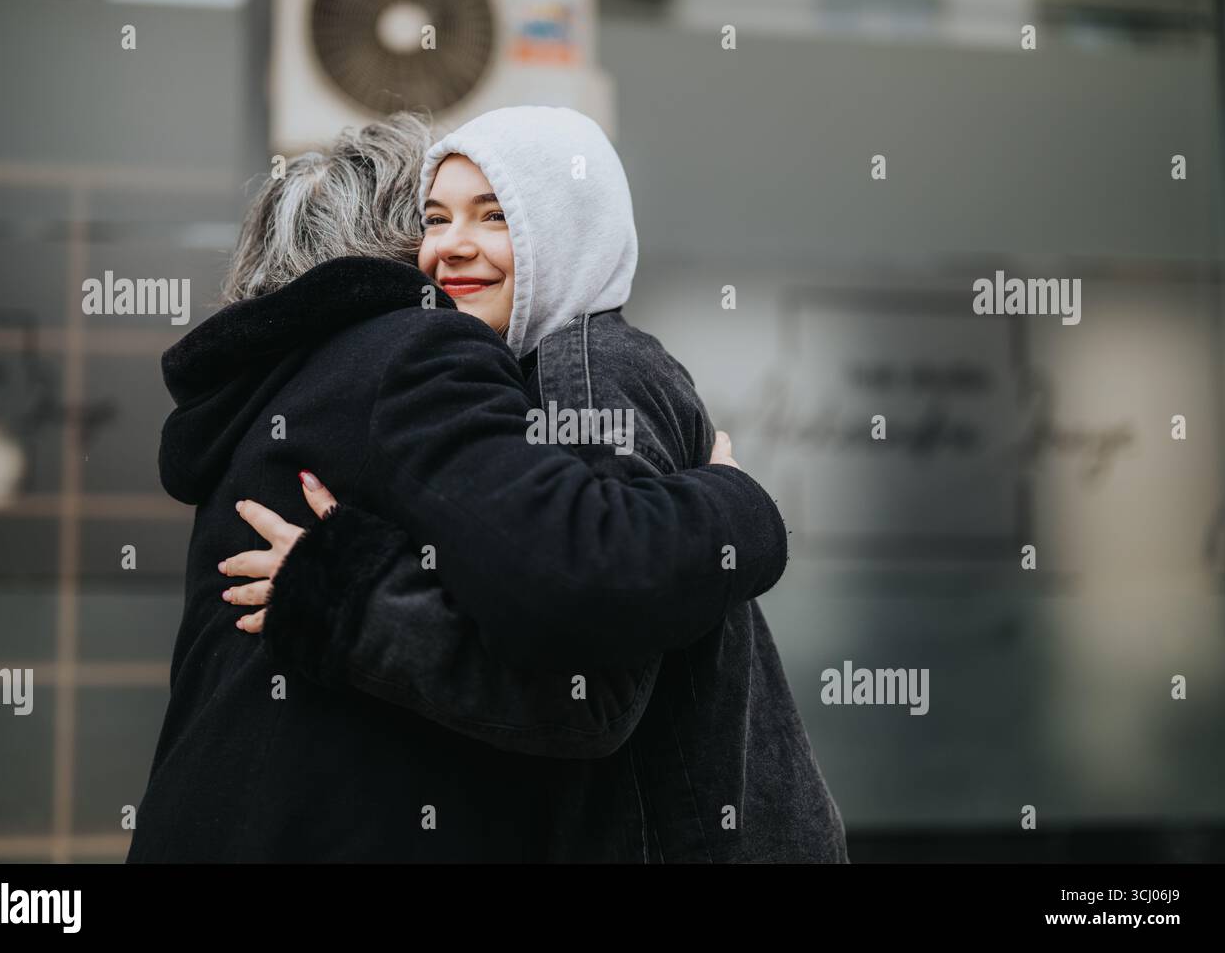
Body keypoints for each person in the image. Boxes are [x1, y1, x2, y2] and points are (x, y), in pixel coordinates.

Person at [126, 111, 794, 862]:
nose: (448, 246)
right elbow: (584, 632)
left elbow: (590, 647)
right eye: (434, 217)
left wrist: (337, 588)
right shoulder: (416, 353)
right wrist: (739, 504)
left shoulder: (586, 362)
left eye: (496, 214)